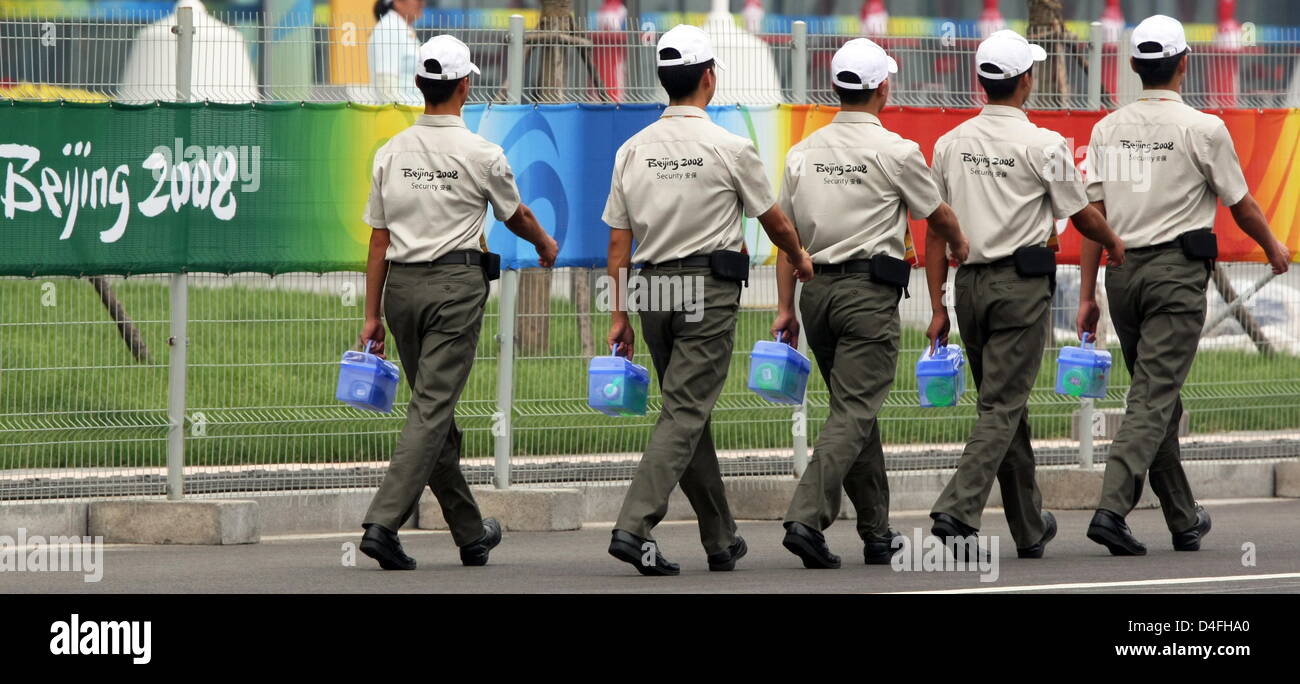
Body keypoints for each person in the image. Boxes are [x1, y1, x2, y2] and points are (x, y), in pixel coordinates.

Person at [602, 24, 814, 576]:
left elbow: (619, 242)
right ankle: (633, 525)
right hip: (706, 291)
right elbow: (774, 221)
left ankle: (721, 538)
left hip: (650, 290)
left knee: (685, 411)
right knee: (685, 410)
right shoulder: (729, 146)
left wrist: (620, 312)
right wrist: (803, 258)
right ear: (708, 78)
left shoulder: (631, 149)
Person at [1080, 15, 1291, 556]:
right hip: (1175, 278)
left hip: (1122, 276)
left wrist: (1087, 293)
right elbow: (1240, 203)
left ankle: (1182, 516)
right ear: (1184, 64)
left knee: (1159, 398)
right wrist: (1273, 246)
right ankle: (1111, 507)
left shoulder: (1108, 129)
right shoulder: (1204, 129)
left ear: (1132, 66)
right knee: (1153, 397)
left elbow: (1092, 216)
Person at [356, 35, 558, 570]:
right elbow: (515, 214)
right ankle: (382, 522)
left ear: (419, 85)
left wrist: (372, 313)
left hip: (400, 292)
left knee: (434, 412)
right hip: (455, 291)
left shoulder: (389, 152)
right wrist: (543, 243)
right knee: (431, 408)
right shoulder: (481, 153)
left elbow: (378, 240)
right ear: (466, 85)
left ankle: (471, 533)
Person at [927, 29, 1125, 560]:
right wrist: (1113, 241)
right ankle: (958, 508)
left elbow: (934, 228)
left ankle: (1030, 526)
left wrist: (936, 304)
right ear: (1026, 82)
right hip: (1020, 288)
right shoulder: (1045, 144)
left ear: (981, 82)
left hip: (968, 288)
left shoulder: (949, 144)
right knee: (1002, 404)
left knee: (1004, 405)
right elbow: (1081, 211)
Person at [773, 39, 969, 569]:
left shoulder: (801, 153)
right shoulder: (896, 151)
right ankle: (805, 516)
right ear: (883, 87)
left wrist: (785, 307)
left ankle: (877, 533)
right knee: (855, 410)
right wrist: (956, 244)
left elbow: (785, 240)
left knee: (855, 412)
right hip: (867, 297)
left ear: (836, 89)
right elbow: (939, 213)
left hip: (815, 297)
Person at [369, 0, 426, 105]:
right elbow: (386, 85)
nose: (422, 3)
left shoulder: (403, 28)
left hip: (413, 113)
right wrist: (402, 115)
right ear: (397, 2)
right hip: (401, 116)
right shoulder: (388, 28)